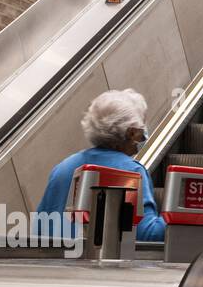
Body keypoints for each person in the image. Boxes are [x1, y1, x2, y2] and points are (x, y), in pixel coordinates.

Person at [35, 89, 166, 242]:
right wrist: (181, 213)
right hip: (102, 263)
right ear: (131, 132)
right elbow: (148, 235)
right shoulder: (131, 171)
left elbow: (39, 228)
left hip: (60, 262)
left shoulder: (62, 168)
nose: (143, 134)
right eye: (141, 129)